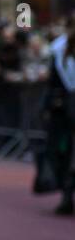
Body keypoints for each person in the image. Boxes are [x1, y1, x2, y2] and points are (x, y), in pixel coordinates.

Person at [43, 18, 75, 215]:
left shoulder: (58, 48)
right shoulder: (59, 48)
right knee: (68, 152)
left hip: (66, 105)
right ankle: (66, 193)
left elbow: (52, 80)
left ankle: (66, 194)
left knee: (67, 151)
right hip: (67, 105)